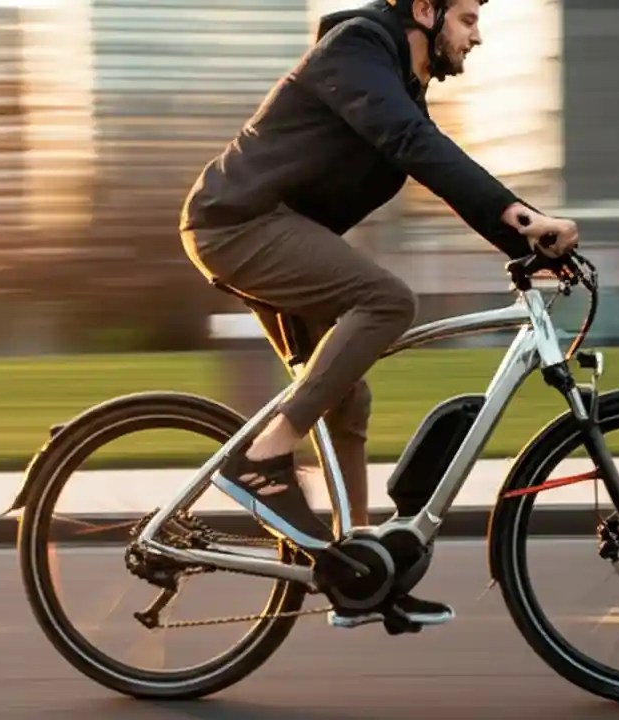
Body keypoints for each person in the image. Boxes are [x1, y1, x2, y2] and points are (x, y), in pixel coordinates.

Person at [178, 0, 579, 626]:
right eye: (468, 18)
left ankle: (358, 569)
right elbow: (412, 143)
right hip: (239, 225)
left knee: (347, 395)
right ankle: (262, 457)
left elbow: (435, 161)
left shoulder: (399, 86)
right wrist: (522, 218)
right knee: (387, 301)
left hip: (276, 230)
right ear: (425, 9)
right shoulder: (357, 49)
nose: (478, 36)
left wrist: (525, 242)